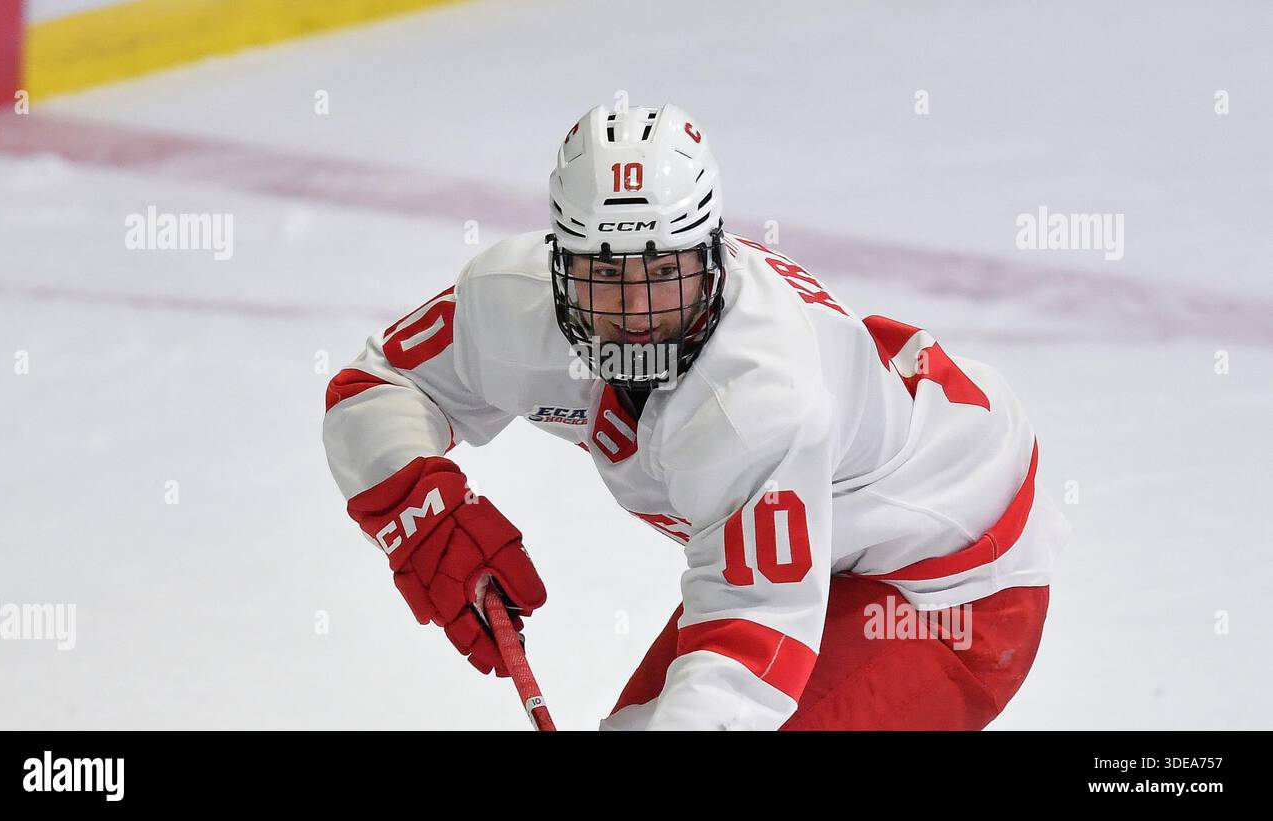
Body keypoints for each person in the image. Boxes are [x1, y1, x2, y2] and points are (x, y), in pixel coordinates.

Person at [321, 103, 1070, 730]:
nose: (638, 313)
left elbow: (746, 660)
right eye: (607, 276)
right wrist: (414, 502)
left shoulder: (758, 402)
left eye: (663, 272)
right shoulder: (513, 305)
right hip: (831, 536)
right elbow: (375, 384)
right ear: (559, 268)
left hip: (955, 580)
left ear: (713, 259)